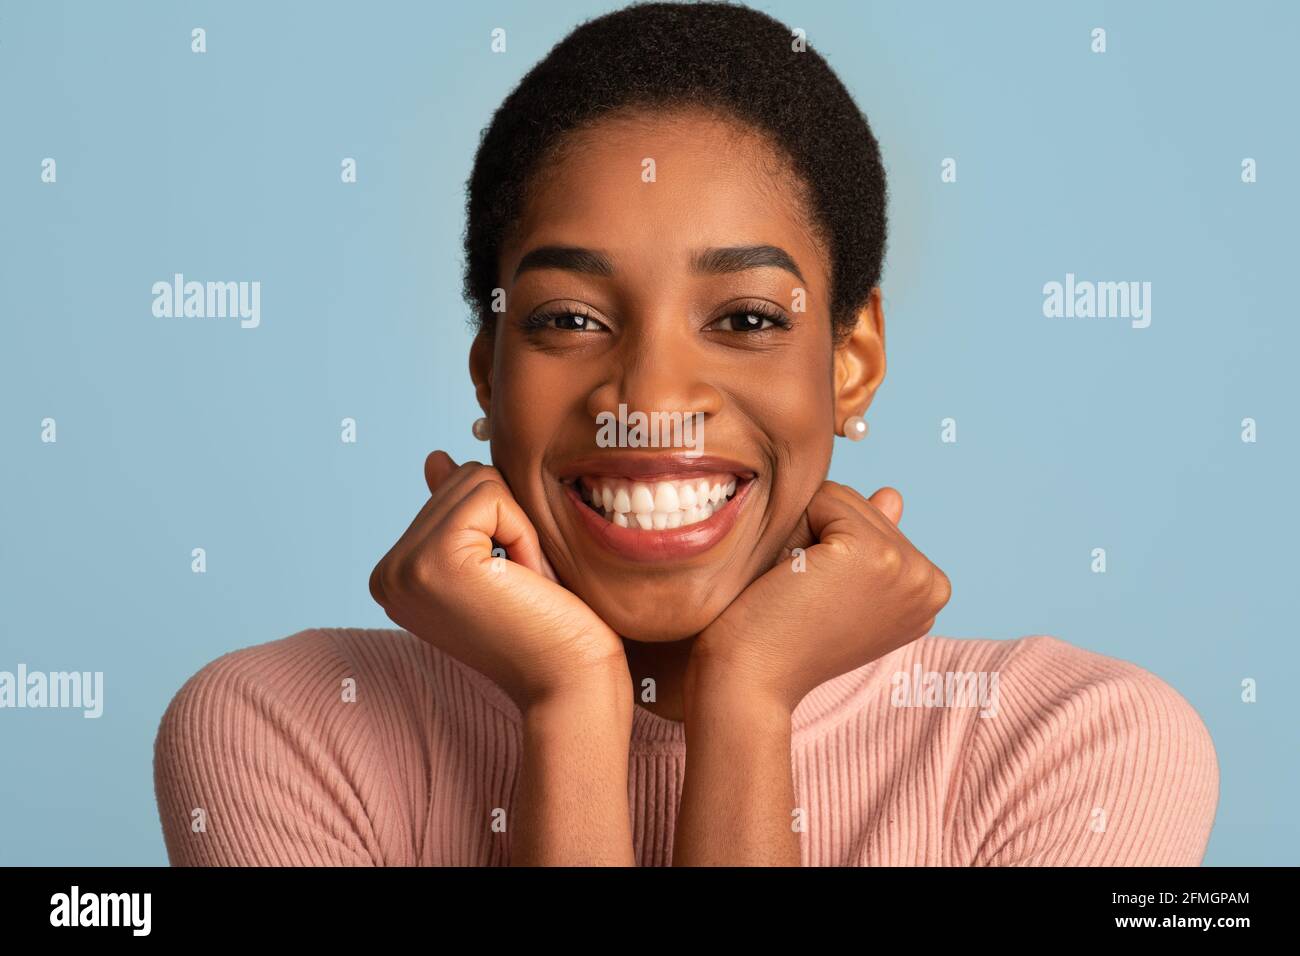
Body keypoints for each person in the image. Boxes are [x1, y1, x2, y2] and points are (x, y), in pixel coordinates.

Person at [153, 1, 1218, 866]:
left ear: (851, 362)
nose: (650, 395)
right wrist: (568, 705)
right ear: (488, 365)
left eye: (747, 318)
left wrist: (748, 704)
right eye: (568, 318)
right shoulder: (287, 728)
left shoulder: (1075, 748)